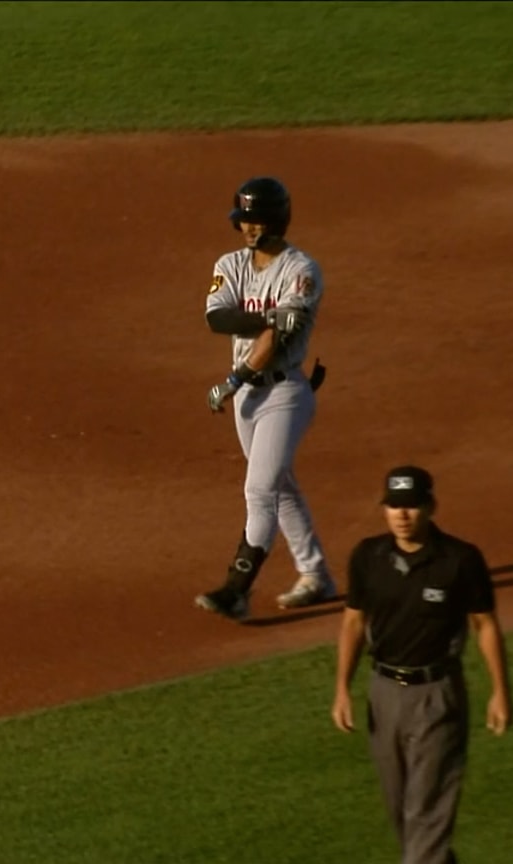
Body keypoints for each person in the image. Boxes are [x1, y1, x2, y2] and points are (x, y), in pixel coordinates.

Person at [331, 466, 513, 864]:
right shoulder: (368, 557)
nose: (402, 514)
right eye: (394, 506)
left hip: (437, 696)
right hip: (383, 694)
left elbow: (484, 625)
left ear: (430, 507)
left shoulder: (460, 560)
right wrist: (342, 688)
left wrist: (500, 691)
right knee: (402, 815)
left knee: (426, 816)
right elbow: (353, 622)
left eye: (411, 506)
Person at [194, 176, 337, 622]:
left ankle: (237, 589)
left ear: (277, 220)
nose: (248, 229)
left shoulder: (302, 270)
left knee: (259, 490)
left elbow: (279, 337)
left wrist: (234, 379)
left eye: (256, 221)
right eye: (244, 221)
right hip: (248, 401)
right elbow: (217, 318)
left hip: (285, 392)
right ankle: (315, 575)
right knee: (281, 485)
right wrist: (267, 317)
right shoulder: (231, 264)